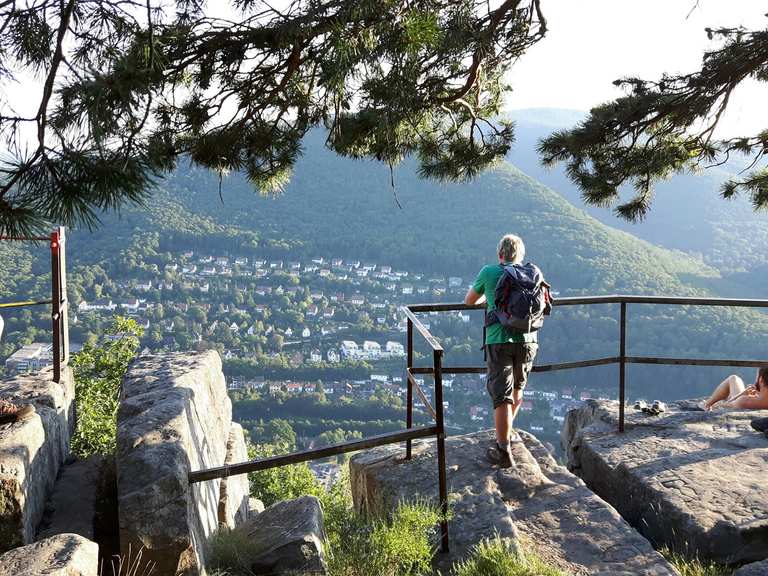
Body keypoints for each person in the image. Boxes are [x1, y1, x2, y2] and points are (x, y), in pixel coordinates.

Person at [464, 233, 541, 468]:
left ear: (500, 254)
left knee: (501, 397)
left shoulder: (489, 272)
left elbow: (469, 300)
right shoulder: (532, 273)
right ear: (521, 256)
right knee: (517, 391)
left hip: (499, 339)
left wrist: (489, 300)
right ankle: (505, 436)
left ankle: (502, 450)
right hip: (528, 339)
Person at [703, 368, 768, 411]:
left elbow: (723, 406)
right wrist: (758, 394)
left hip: (743, 404)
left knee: (733, 378)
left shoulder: (745, 401)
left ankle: (706, 404)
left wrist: (743, 394)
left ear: (761, 379)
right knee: (734, 378)